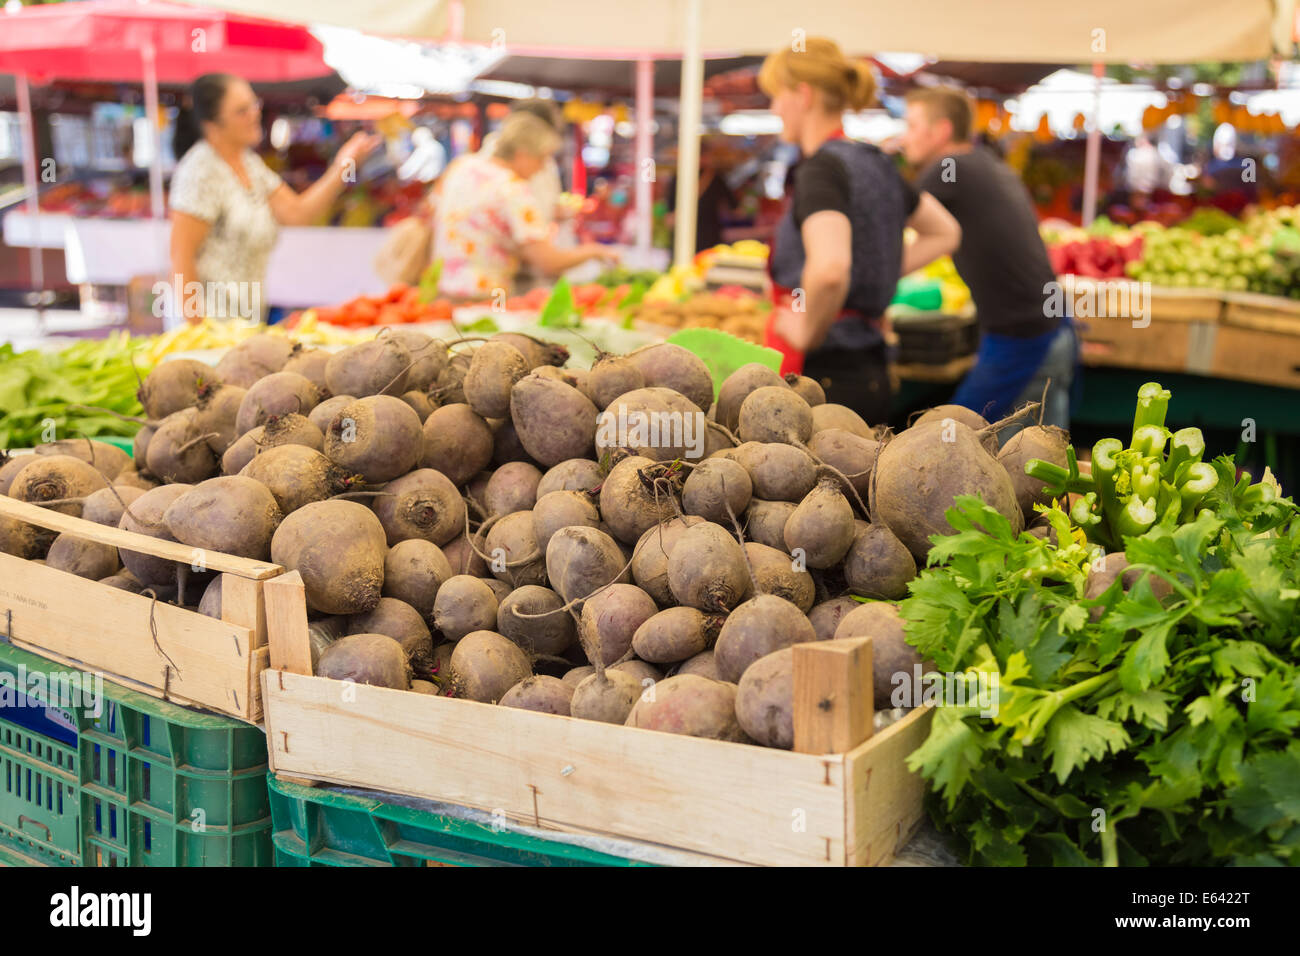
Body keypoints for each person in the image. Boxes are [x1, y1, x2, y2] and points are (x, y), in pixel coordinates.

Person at [758, 39, 961, 425]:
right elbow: (946, 233)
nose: (773, 108)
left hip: (822, 381)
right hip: (872, 371)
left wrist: (806, 331)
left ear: (803, 95)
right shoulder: (877, 163)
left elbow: (831, 268)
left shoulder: (822, 168)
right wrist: (877, 272)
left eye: (776, 96)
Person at [900, 86, 1077, 430]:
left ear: (941, 131)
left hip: (1024, 340)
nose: (903, 138)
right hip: (1051, 330)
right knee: (1042, 467)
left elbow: (887, 220)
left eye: (910, 126)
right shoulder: (987, 163)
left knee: (952, 440)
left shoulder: (947, 169)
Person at [169, 73, 378, 325]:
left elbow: (299, 214)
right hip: (210, 331)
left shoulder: (250, 164)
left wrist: (344, 166)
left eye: (254, 105)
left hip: (246, 327)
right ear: (213, 125)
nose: (255, 114)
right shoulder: (200, 170)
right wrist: (197, 330)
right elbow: (180, 258)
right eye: (241, 111)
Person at [434, 112, 616, 299]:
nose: (541, 168)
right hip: (488, 295)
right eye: (541, 158)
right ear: (522, 154)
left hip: (441, 287)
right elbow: (547, 261)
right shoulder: (512, 189)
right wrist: (593, 251)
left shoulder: (462, 166)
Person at [665, 138, 737, 253]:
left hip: (681, 237)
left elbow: (669, 209)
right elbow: (734, 206)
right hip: (709, 238)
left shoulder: (678, 177)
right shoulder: (716, 179)